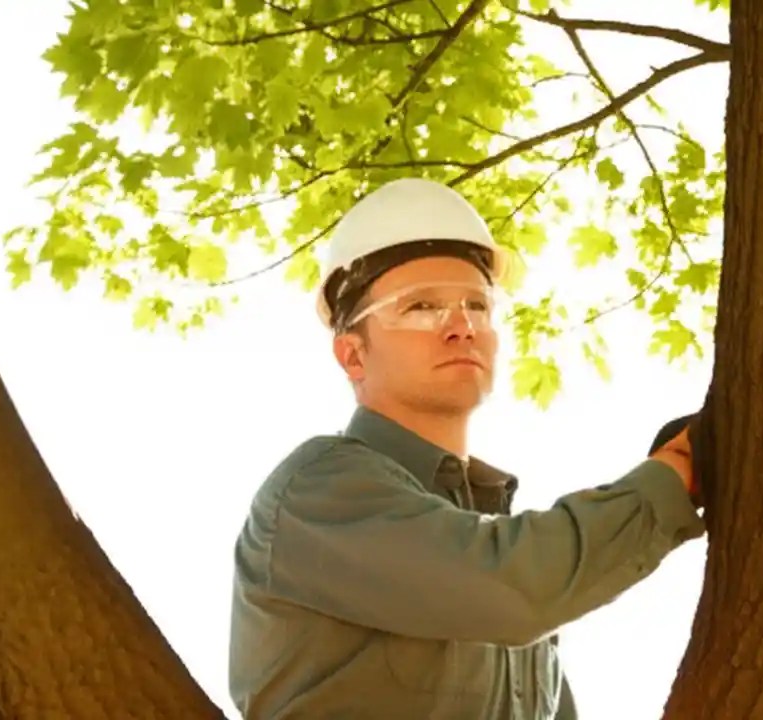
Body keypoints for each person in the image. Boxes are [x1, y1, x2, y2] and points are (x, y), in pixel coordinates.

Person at [229, 177, 707, 719]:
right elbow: (512, 587)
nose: (461, 327)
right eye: (420, 307)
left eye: (477, 306)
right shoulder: (319, 489)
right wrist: (674, 476)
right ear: (352, 356)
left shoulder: (496, 542)